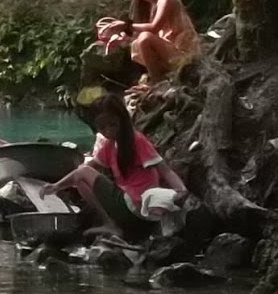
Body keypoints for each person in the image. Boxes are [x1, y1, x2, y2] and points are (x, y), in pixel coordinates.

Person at [42, 92, 187, 242]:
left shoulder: (137, 140)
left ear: (122, 121)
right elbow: (89, 166)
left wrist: (56, 186)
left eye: (112, 125)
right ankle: (110, 223)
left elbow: (165, 170)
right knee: (81, 180)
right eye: (102, 127)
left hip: (137, 208)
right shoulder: (110, 145)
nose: (108, 131)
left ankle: (110, 224)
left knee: (83, 173)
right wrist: (66, 182)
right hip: (131, 206)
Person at [94, 0, 200, 87]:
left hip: (186, 57)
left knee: (145, 38)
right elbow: (147, 40)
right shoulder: (150, 9)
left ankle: (157, 82)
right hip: (171, 57)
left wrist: (125, 26)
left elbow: (154, 28)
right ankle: (158, 79)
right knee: (138, 42)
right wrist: (123, 40)